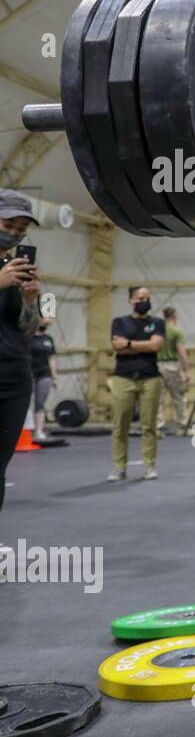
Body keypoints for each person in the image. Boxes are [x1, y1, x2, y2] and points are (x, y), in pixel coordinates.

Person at [0, 191, 42, 514]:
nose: (15, 233)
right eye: (8, 224)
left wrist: (29, 302)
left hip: (14, 378)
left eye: (21, 228)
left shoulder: (15, 268)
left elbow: (28, 329)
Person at [109, 286, 165, 481]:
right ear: (131, 300)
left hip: (150, 378)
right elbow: (117, 347)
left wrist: (129, 344)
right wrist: (143, 346)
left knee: (149, 425)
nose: (144, 301)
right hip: (123, 377)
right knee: (120, 425)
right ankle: (119, 467)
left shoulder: (157, 323)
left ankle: (150, 465)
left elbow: (156, 345)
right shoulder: (119, 322)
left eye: (147, 298)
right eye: (140, 298)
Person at [155, 307, 190, 437]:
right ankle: (182, 426)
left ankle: (157, 428)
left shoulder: (158, 331)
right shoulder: (176, 331)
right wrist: (186, 371)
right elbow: (182, 352)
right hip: (172, 366)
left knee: (158, 399)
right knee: (179, 397)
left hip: (158, 365)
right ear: (175, 316)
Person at [30, 317, 57, 442]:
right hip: (29, 374)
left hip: (45, 374)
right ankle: (24, 430)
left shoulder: (48, 339)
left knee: (40, 403)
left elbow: (52, 358)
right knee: (25, 403)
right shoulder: (28, 338)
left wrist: (54, 376)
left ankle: (39, 431)